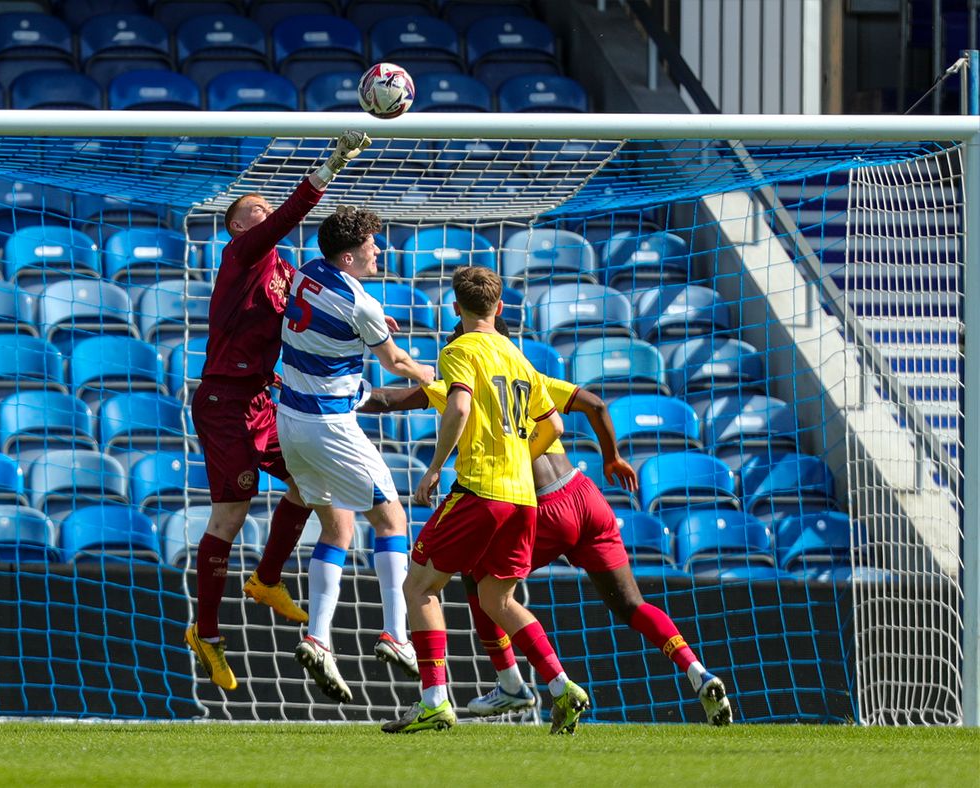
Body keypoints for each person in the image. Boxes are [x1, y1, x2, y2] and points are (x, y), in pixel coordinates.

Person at [361, 317, 734, 727]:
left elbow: (391, 399)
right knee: (631, 603)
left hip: (543, 508)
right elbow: (595, 404)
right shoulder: (531, 376)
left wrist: (334, 394)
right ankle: (698, 672)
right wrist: (611, 457)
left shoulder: (467, 374)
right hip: (585, 496)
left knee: (478, 579)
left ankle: (511, 682)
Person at [185, 130, 374, 693]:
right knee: (232, 513)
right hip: (223, 399)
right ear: (240, 226)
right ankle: (207, 633)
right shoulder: (240, 255)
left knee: (313, 483)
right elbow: (287, 217)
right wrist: (329, 167)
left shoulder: (287, 274)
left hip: (266, 400)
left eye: (267, 209)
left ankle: (267, 579)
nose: (266, 215)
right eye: (257, 211)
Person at [381, 265, 590, 735]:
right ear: (498, 308)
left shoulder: (460, 350)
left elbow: (457, 405)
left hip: (480, 489)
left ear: (456, 308)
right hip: (524, 501)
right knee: (497, 596)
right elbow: (555, 427)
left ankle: (435, 699)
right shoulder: (519, 357)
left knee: (419, 587)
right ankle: (562, 687)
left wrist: (435, 467)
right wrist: (520, 457)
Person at [276, 206, 436, 703]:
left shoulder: (307, 272)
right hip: (328, 424)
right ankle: (396, 634)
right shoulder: (359, 303)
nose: (379, 250)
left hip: (291, 419)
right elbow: (397, 361)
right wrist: (435, 376)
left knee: (336, 528)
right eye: (372, 243)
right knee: (391, 521)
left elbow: (342, 320)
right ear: (349, 254)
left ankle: (319, 638)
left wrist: (370, 323)